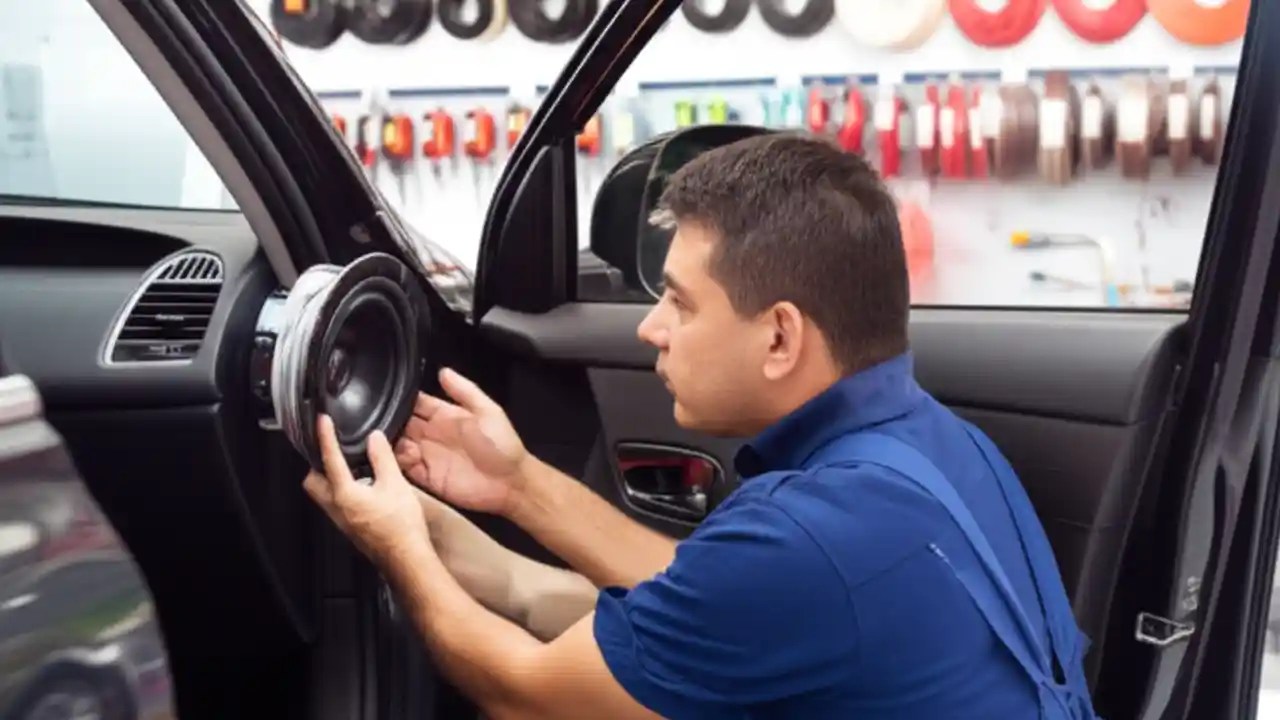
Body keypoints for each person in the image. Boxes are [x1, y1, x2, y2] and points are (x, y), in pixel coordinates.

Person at [303, 133, 1099, 719]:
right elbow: (689, 595)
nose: (651, 328)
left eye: (680, 302)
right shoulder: (940, 453)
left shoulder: (812, 540)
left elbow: (524, 696)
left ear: (781, 336)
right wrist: (512, 487)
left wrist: (398, 549)